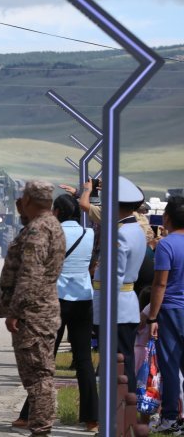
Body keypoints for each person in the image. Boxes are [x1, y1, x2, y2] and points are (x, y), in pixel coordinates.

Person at [13, 194, 98, 432]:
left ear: (57, 212)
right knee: (84, 361)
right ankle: (92, 418)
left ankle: (30, 414)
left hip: (54, 301)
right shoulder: (88, 234)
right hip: (83, 300)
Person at [0, 180, 66, 437]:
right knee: (39, 375)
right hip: (43, 309)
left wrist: (15, 311)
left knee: (38, 378)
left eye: (23, 198)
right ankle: (40, 427)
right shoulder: (50, 225)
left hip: (33, 314)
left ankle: (41, 430)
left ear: (30, 200)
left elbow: (30, 274)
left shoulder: (38, 230)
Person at [91, 176, 147, 393]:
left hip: (115, 309)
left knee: (118, 366)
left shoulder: (121, 234)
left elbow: (114, 276)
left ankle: (119, 417)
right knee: (122, 363)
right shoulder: (133, 230)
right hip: (124, 306)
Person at [147, 196, 184, 434]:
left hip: (171, 310)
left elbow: (160, 285)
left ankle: (170, 417)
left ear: (166, 218)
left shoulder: (166, 245)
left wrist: (152, 317)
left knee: (170, 365)